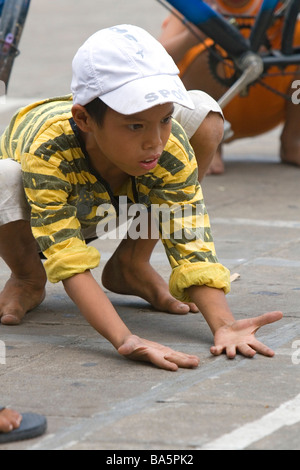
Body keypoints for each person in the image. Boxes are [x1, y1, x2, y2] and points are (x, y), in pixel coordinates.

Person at [0, 24, 282, 371]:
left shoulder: (166, 146)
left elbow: (188, 234)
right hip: (39, 217)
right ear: (84, 118)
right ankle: (27, 276)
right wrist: (125, 338)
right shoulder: (49, 151)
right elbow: (68, 257)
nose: (155, 142)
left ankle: (130, 264)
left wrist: (223, 324)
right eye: (136, 126)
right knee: (3, 176)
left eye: (164, 119)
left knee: (205, 113)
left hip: (117, 197)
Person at [159, 0, 300, 174]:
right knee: (205, 51)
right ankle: (207, 145)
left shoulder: (280, 5)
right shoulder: (197, 6)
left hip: (272, 103)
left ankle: (294, 139)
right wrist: (192, 35)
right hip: (209, 111)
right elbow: (156, 61)